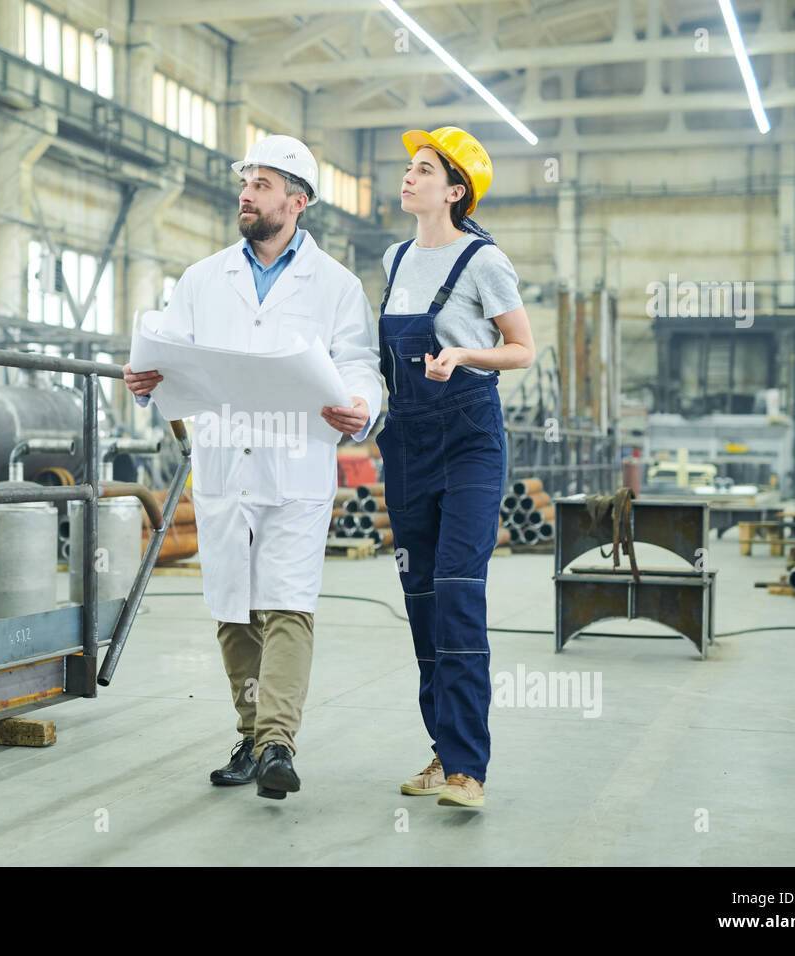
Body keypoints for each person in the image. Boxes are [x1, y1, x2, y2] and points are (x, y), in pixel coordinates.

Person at [124, 135, 382, 800]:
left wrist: (362, 405)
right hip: (222, 466)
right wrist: (145, 378)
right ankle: (252, 734)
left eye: (263, 184)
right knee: (233, 608)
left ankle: (276, 744)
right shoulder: (205, 279)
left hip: (296, 465)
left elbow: (359, 366)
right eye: (246, 181)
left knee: (287, 603)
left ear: (297, 203)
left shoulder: (335, 287)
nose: (247, 193)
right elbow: (170, 355)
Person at [375, 127, 535, 809]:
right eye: (408, 168)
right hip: (407, 440)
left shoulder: (483, 260)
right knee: (420, 602)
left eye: (422, 169)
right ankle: (444, 753)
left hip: (469, 435)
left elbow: (523, 348)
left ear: (455, 188)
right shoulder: (394, 257)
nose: (408, 178)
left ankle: (470, 768)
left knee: (458, 587)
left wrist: (464, 356)